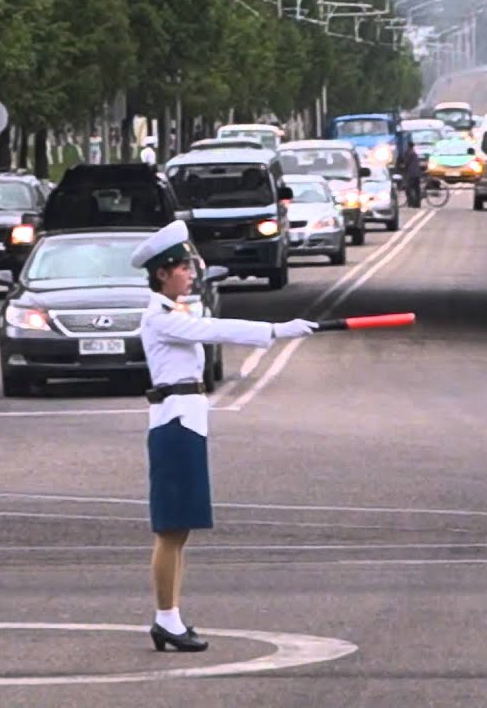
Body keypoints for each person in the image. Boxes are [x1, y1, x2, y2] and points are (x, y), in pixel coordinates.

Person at [130, 220, 317, 653]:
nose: (191, 274)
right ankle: (166, 619)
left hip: (187, 423)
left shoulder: (174, 313)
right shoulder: (159, 319)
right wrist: (276, 330)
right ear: (162, 273)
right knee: (171, 530)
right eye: (183, 268)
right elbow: (214, 329)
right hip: (175, 425)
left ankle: (170, 617)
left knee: (180, 531)